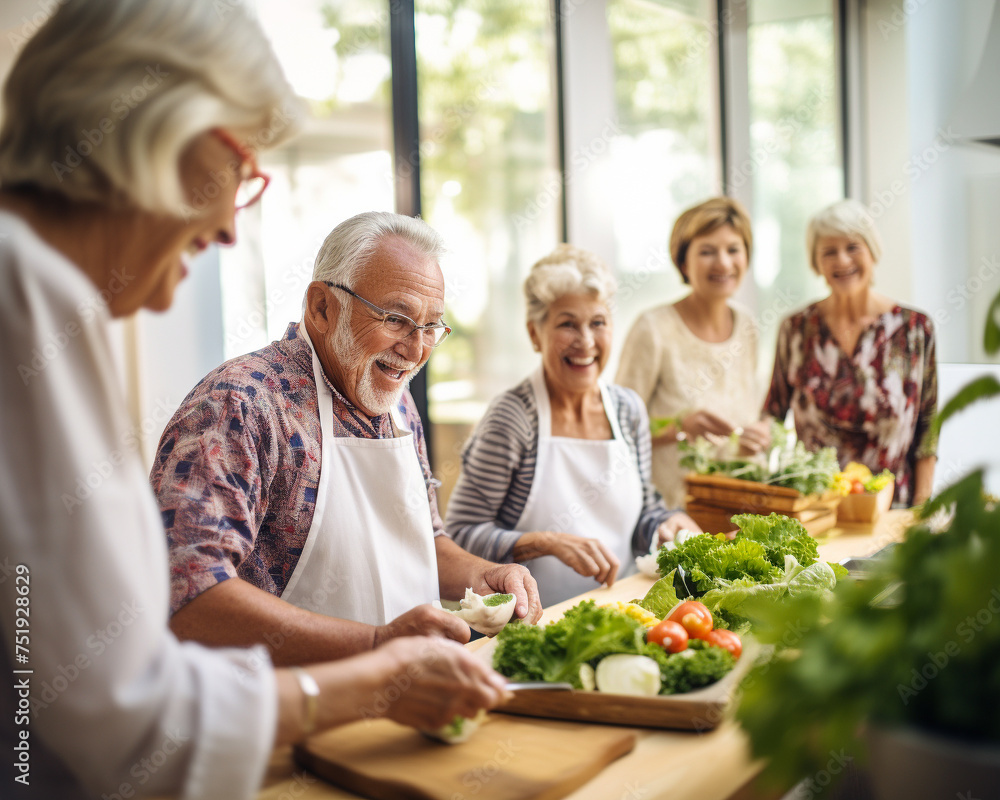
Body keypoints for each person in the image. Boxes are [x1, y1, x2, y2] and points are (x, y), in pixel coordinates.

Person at [0, 3, 507, 798]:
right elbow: (120, 706)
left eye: (430, 327)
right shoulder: (30, 304)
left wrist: (481, 572)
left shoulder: (53, 303)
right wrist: (373, 669)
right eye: (243, 168)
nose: (230, 227)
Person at [151, 211, 542, 665]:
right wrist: (376, 647)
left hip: (408, 696)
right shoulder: (239, 405)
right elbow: (189, 597)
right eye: (396, 319)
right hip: (281, 715)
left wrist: (486, 574)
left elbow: (423, 539)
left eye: (431, 327)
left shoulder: (396, 400)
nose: (416, 352)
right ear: (322, 307)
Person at [445, 245, 700, 608]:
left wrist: (669, 523)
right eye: (567, 324)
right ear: (535, 334)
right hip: (531, 624)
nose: (586, 341)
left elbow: (644, 512)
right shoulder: (513, 417)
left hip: (622, 612)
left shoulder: (628, 410)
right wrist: (545, 542)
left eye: (598, 322)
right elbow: (459, 536)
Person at [763, 199, 938, 506]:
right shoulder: (796, 328)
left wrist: (923, 512)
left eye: (852, 247)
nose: (842, 260)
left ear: (872, 251)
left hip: (894, 510)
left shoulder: (915, 329)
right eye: (829, 252)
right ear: (816, 263)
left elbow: (928, 427)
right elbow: (772, 414)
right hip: (816, 508)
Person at [616, 197, 770, 507]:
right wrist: (679, 428)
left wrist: (762, 431)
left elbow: (752, 409)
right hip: (672, 514)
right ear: (684, 262)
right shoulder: (653, 329)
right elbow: (616, 426)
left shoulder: (748, 327)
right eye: (707, 252)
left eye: (733, 250)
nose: (724, 263)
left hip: (741, 506)